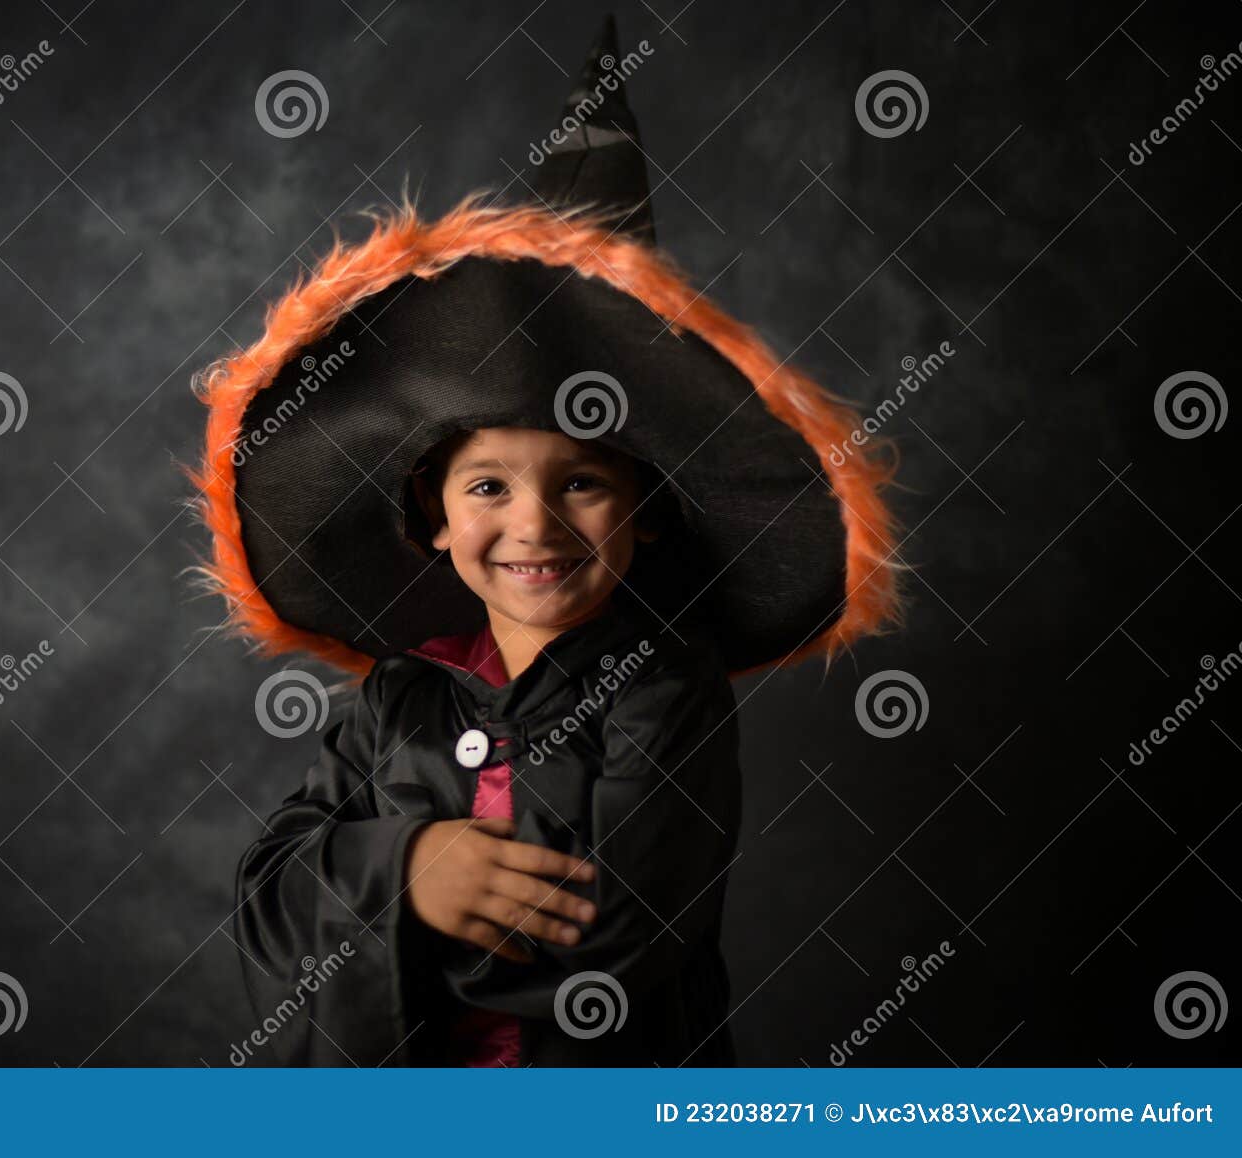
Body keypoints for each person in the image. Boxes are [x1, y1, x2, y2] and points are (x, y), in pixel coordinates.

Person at [184, 15, 906, 1066]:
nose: (534, 524)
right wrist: (411, 867)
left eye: (582, 483)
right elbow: (268, 899)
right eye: (488, 485)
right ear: (433, 518)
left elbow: (614, 946)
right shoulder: (400, 697)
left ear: (645, 508)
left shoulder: (665, 691)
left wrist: (387, 927)